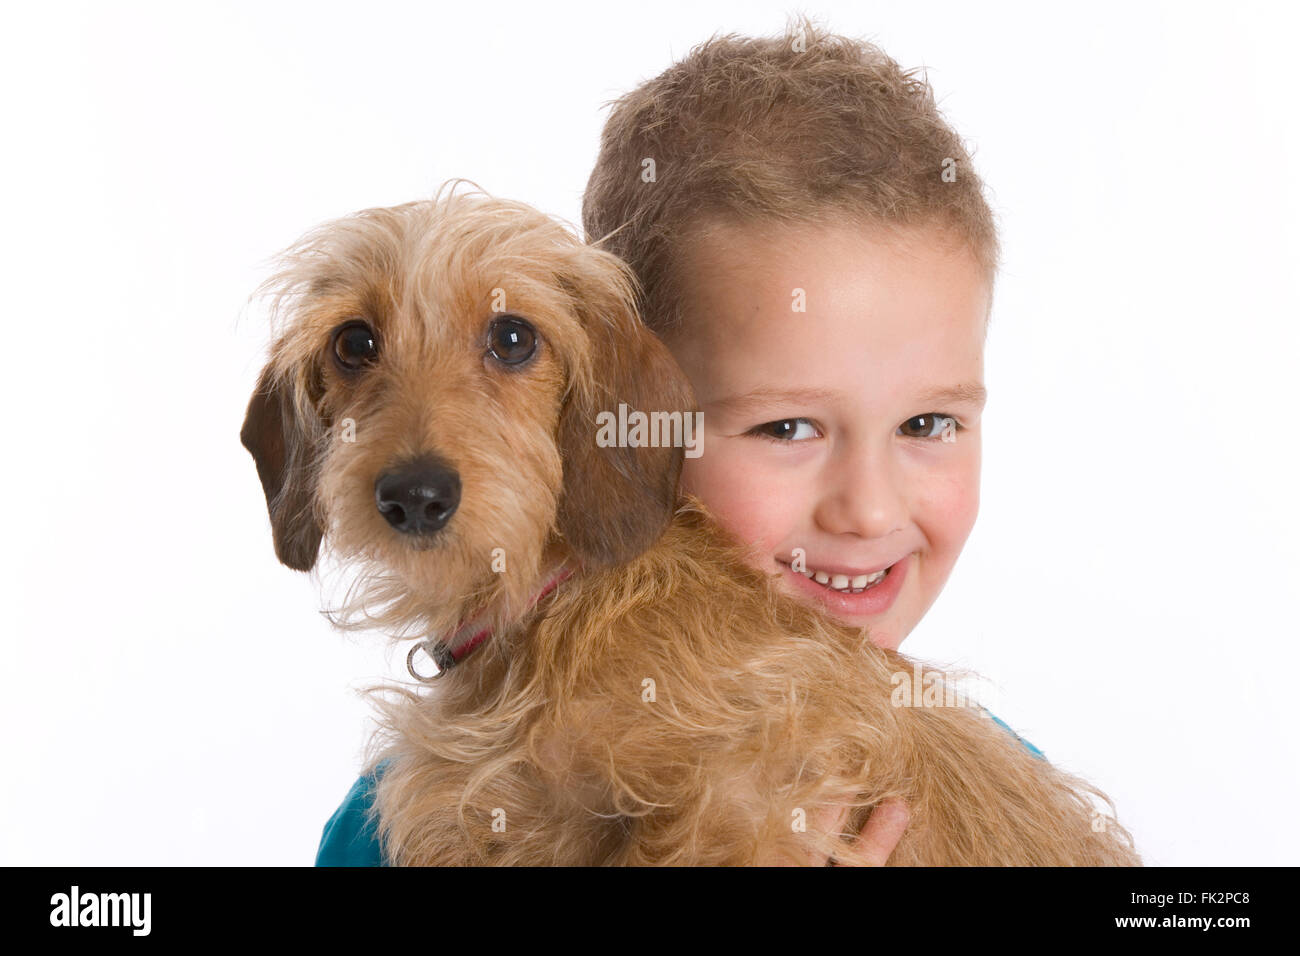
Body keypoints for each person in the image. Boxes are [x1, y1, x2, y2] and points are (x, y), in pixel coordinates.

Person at [316, 15, 1043, 866]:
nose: (869, 508)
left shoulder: (973, 751)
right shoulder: (384, 832)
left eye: (927, 424)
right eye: (786, 427)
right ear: (625, 413)